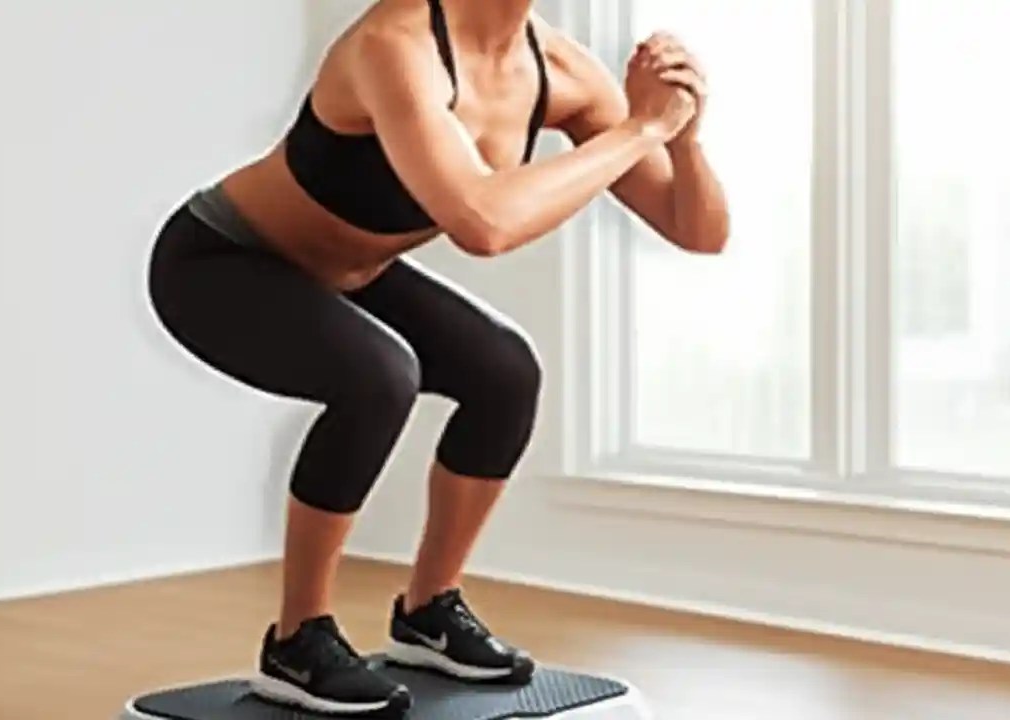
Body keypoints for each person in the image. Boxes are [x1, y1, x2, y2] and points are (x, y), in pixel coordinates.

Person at [147, 0, 728, 715]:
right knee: (379, 376)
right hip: (220, 259)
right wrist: (642, 130)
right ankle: (296, 641)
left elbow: (696, 229)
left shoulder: (560, 69)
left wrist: (685, 139)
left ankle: (427, 613)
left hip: (350, 272)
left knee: (504, 372)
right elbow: (483, 223)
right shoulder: (393, 45)